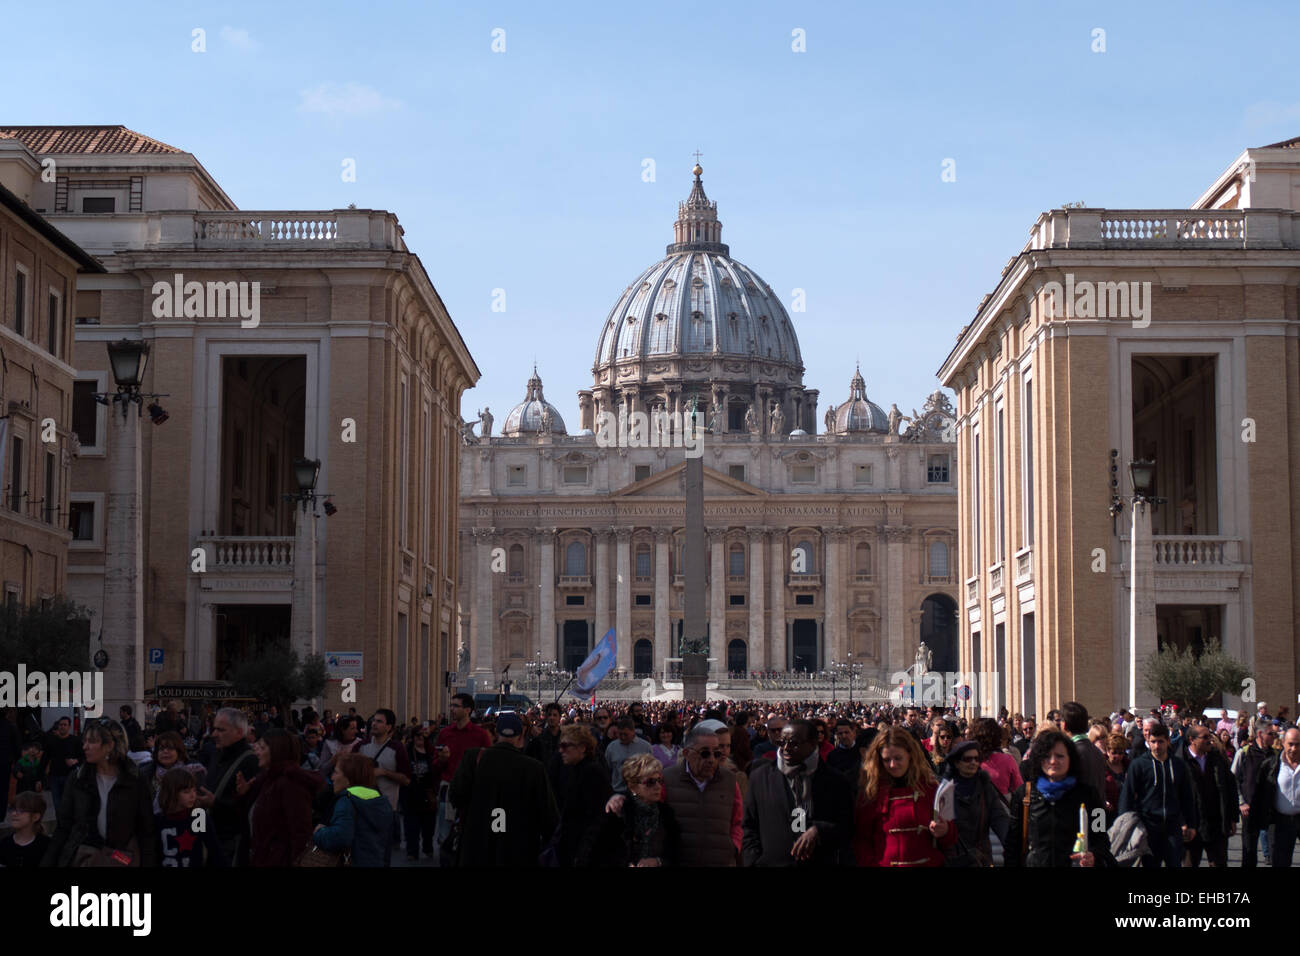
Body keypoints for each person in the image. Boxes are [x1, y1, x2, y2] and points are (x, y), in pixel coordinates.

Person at [43, 718, 157, 867]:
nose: (85, 747)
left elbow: (146, 830)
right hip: (85, 859)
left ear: (110, 745)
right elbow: (64, 827)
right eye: (84, 741)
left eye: (92, 742)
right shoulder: (78, 779)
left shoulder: (135, 780)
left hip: (122, 859)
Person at [448, 712, 557, 867]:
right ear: (521, 737)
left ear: (496, 734)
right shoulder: (533, 768)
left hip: (477, 845)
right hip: (518, 850)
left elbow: (456, 795)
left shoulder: (473, 757)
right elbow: (548, 816)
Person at [743, 718, 855, 866]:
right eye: (782, 742)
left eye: (794, 743)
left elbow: (847, 826)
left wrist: (820, 830)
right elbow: (749, 826)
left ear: (813, 744)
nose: (786, 748)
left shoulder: (836, 782)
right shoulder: (760, 778)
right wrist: (753, 861)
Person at [1004, 730, 1113, 867]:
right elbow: (1012, 843)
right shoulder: (1024, 794)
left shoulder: (1089, 794)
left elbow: (1102, 838)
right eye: (1047, 756)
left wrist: (1093, 855)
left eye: (1060, 756)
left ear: (1070, 759)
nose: (1053, 761)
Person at [853, 727, 953, 867]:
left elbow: (951, 837)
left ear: (910, 754)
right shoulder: (871, 791)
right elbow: (862, 839)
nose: (893, 765)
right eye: (887, 760)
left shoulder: (930, 788)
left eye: (898, 758)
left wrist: (945, 831)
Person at [235, 728, 323, 867]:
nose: (256, 751)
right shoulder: (266, 779)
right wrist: (245, 794)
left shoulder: (290, 783)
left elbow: (300, 833)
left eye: (262, 747)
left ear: (277, 751)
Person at [1119, 721, 1198, 868]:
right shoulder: (1139, 765)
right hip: (1148, 827)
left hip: (1173, 826)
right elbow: (1127, 796)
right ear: (1148, 742)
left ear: (1168, 741)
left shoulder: (1178, 765)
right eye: (1153, 742)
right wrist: (1124, 827)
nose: (1157, 746)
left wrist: (1191, 824)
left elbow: (1187, 797)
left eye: (1160, 741)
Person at [585, 753, 680, 866]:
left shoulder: (666, 813)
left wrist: (658, 862)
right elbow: (595, 852)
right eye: (650, 782)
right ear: (632, 786)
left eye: (660, 780)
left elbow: (675, 852)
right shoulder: (617, 811)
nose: (658, 786)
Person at [200, 707, 260, 866]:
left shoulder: (250, 761)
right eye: (214, 729)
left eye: (220, 730)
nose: (214, 734)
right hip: (209, 840)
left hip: (231, 846)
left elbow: (250, 809)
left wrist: (216, 804)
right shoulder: (217, 754)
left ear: (239, 732)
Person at [312, 752, 395, 867]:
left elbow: (341, 837)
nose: (332, 777)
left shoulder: (347, 800)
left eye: (336, 772)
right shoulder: (380, 800)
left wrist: (319, 832)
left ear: (349, 777)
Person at [551, 724, 612, 866]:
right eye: (560, 745)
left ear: (582, 748)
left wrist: (583, 854)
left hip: (584, 851)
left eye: (566, 746)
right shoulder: (574, 769)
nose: (561, 750)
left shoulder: (592, 773)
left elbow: (597, 817)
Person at [942, 740, 1009, 867]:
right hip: (955, 859)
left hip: (981, 857)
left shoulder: (985, 787)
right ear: (956, 763)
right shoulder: (945, 790)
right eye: (967, 759)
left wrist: (1010, 844)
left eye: (976, 759)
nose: (973, 762)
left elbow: (1000, 818)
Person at [1181, 725, 1238, 867]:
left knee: (1219, 863)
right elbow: (1175, 796)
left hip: (1217, 824)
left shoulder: (1217, 758)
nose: (1210, 741)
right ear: (1192, 740)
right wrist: (1182, 823)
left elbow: (1230, 788)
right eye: (1205, 737)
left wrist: (1232, 817)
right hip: (1192, 825)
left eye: (1210, 737)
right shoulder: (1180, 762)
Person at [359, 709, 411, 850]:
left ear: (389, 727)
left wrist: (384, 772)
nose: (374, 724)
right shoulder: (362, 746)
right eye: (373, 721)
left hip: (387, 809)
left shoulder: (397, 748)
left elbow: (406, 780)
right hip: (363, 808)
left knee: (383, 855)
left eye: (379, 721)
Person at [1250, 727, 1300, 868]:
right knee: (1280, 861)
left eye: (1298, 744)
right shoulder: (1271, 764)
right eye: (1291, 744)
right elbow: (1259, 793)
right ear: (1283, 743)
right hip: (1280, 821)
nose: (1294, 748)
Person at [155, 767, 224, 867]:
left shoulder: (197, 817)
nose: (193, 796)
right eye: (186, 792)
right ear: (172, 793)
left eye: (194, 790)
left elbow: (215, 850)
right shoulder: (159, 820)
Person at [1234, 723, 1278, 867]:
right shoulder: (1245, 752)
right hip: (1250, 808)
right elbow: (1233, 779)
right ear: (1260, 734)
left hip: (1270, 809)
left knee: (1275, 849)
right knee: (1249, 849)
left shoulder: (1275, 755)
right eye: (1271, 734)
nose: (1274, 737)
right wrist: (1241, 802)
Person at [402, 722, 439, 861]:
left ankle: (427, 847)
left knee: (428, 827)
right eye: (417, 735)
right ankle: (412, 851)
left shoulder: (432, 752)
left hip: (428, 793)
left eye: (423, 736)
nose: (420, 738)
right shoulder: (407, 751)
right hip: (411, 793)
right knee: (411, 826)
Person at [970, 717, 1022, 799]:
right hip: (1001, 808)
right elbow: (1018, 789)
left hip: (974, 807)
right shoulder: (1008, 760)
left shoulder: (968, 761)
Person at [40, 716, 82, 815]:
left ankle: (67, 827)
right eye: (60, 724)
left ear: (69, 727)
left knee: (68, 804)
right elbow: (44, 760)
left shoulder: (75, 741)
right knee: (57, 804)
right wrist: (40, 778)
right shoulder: (51, 741)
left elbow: (83, 757)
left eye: (65, 725)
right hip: (54, 776)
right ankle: (61, 826)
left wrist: (75, 760)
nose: (62, 727)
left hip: (70, 777)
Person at [1, 790, 51, 868]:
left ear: (35, 817)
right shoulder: (4, 844)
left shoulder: (47, 846)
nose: (14, 814)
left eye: (21, 810)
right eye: (13, 809)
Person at [606, 718, 653, 794]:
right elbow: (608, 769)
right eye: (620, 734)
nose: (623, 737)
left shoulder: (645, 747)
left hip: (639, 792)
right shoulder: (611, 747)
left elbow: (651, 769)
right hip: (618, 791)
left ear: (633, 732)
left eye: (626, 734)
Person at [526, 702, 564, 767]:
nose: (552, 717)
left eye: (555, 715)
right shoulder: (538, 740)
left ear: (559, 717)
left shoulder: (565, 739)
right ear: (546, 717)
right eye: (549, 715)